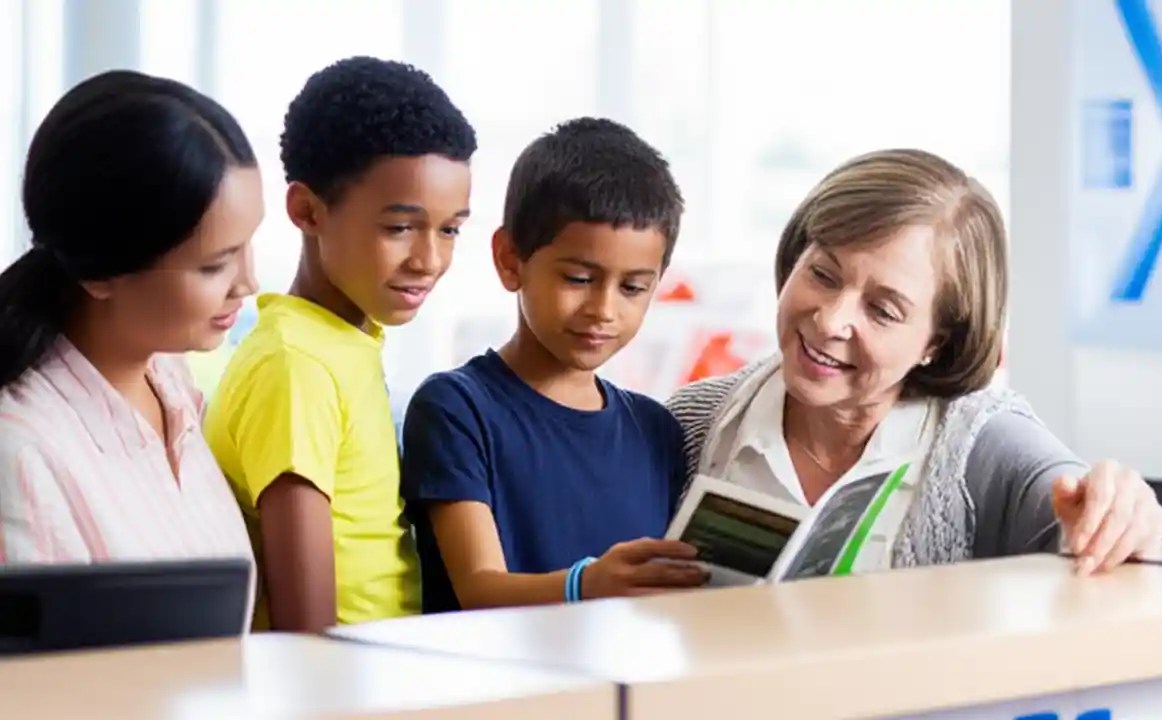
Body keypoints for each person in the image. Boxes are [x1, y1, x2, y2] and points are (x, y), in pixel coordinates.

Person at [667, 149, 1162, 577]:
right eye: (822, 274)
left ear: (937, 342)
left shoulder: (980, 444)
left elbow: (1078, 498)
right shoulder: (693, 422)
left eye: (882, 310)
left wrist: (1125, 510)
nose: (831, 320)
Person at [203, 56, 476, 630]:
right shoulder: (296, 365)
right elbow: (308, 633)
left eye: (449, 229)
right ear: (307, 211)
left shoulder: (343, 342)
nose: (430, 260)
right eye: (399, 228)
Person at [401, 118, 707, 612]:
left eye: (632, 287)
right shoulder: (457, 408)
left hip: (622, 689)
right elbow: (478, 588)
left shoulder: (657, 431)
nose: (603, 310)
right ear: (509, 259)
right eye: (580, 278)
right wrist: (585, 585)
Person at [0, 70, 261, 564]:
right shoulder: (21, 454)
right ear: (101, 273)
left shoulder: (170, 382)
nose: (248, 282)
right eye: (215, 264)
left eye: (248, 244)